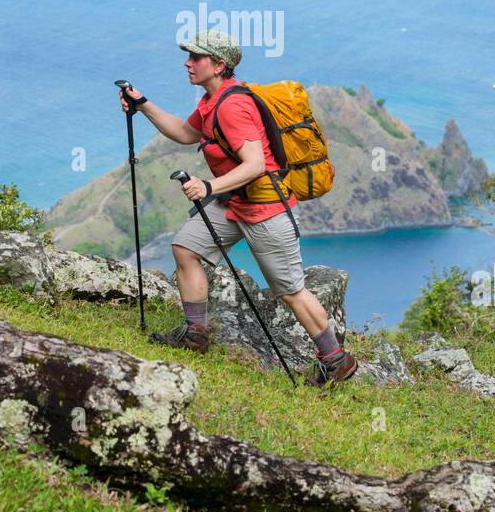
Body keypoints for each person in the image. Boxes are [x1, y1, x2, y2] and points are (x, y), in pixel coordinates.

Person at [118, 28, 358, 387]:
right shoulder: (211, 101)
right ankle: (196, 333)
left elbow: (255, 164)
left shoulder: (233, 106)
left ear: (218, 64)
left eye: (195, 58)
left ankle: (334, 359)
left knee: (291, 290)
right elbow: (185, 133)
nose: (187, 63)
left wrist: (208, 186)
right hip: (235, 203)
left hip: (266, 209)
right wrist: (143, 105)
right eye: (188, 56)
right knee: (186, 247)